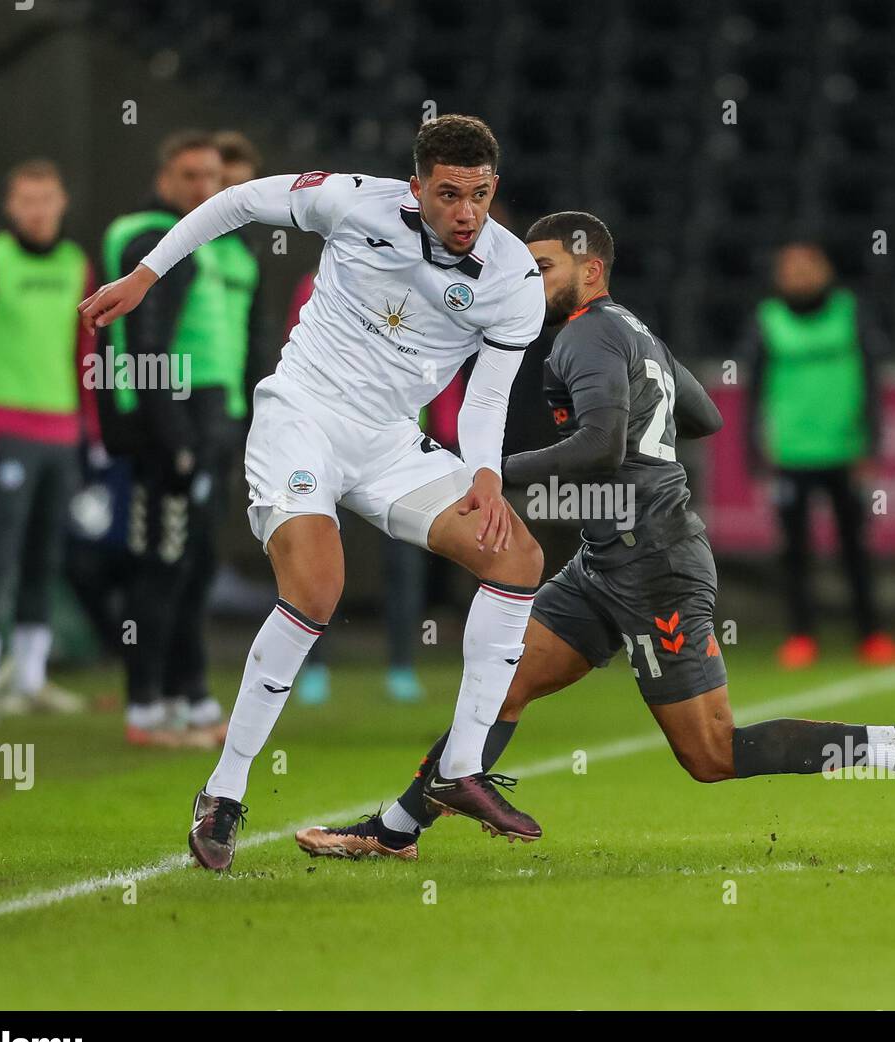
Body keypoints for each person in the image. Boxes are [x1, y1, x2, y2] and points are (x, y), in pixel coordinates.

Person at [295, 212, 895, 862]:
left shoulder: (584, 336)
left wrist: (492, 473)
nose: (528, 280)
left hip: (654, 565)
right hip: (603, 564)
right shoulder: (633, 331)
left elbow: (602, 445)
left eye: (543, 267)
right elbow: (701, 414)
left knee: (712, 752)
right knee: (499, 683)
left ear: (591, 268)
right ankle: (395, 829)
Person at [79, 114, 547, 871]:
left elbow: (488, 397)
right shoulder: (352, 200)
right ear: (417, 185)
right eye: (451, 194)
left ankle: (459, 768)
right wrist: (145, 275)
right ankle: (224, 792)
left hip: (392, 441)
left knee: (518, 557)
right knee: (318, 588)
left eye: (482, 195)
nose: (467, 213)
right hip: (302, 415)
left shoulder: (514, 276)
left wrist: (486, 475)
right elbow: (235, 203)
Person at [99, 131, 256, 748]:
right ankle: (145, 705)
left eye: (213, 177)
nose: (203, 188)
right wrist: (172, 435)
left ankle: (185, 694)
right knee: (161, 566)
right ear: (165, 176)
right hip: (173, 422)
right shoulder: (150, 239)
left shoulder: (205, 243)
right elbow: (145, 348)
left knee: (191, 565)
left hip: (208, 417)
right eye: (190, 176)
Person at [0, 159, 99, 715]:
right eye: (26, 200)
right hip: (6, 433)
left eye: (46, 199)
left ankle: (30, 678)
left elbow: (85, 355)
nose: (37, 210)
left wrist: (91, 428)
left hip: (61, 436)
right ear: (11, 206)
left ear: (61, 202)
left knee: (45, 556)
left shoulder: (77, 264)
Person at [743, 241, 895, 669]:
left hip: (844, 449)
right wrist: (754, 449)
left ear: (826, 270)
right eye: (790, 268)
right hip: (790, 452)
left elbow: (871, 377)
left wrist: (871, 440)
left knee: (856, 547)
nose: (800, 276)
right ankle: (800, 636)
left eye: (808, 267)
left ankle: (871, 634)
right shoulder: (769, 320)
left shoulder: (850, 311)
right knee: (794, 551)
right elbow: (753, 390)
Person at [284, 270, 429, 705]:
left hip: (397, 449)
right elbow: (294, 352)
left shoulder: (421, 286)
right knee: (319, 557)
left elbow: (438, 364)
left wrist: (445, 430)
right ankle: (314, 666)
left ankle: (402, 666)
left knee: (403, 564)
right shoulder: (318, 282)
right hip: (326, 444)